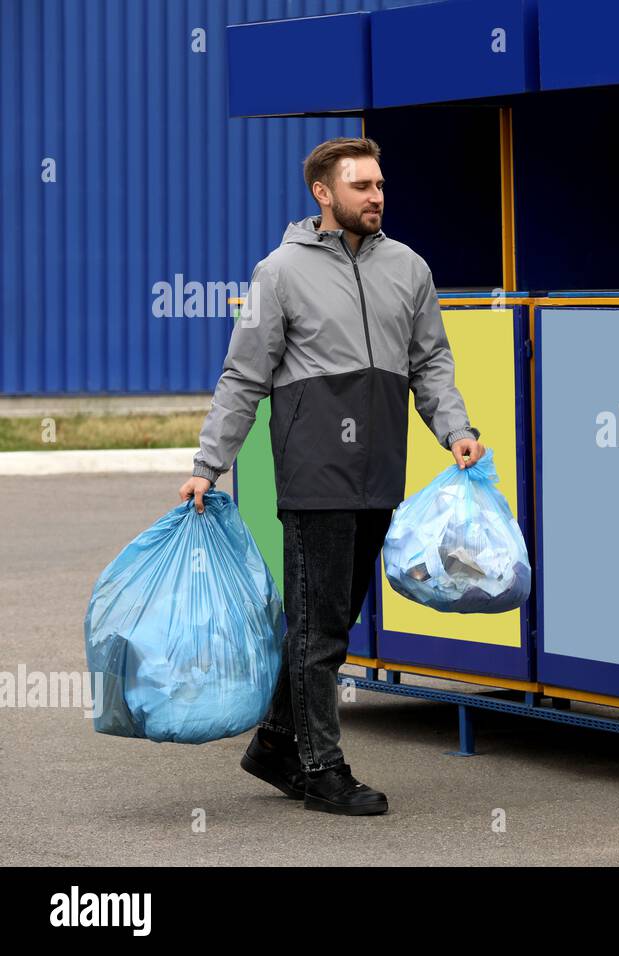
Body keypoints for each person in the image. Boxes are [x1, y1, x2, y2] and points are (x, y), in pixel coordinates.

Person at [178, 137, 484, 815]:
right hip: (315, 471)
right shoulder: (279, 273)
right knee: (319, 631)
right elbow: (244, 376)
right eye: (362, 187)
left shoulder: (408, 267)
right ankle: (321, 768)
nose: (377, 197)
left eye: (379, 185)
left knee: (330, 621)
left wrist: (456, 430)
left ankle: (276, 744)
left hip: (381, 470)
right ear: (323, 193)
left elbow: (430, 360)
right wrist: (208, 464)